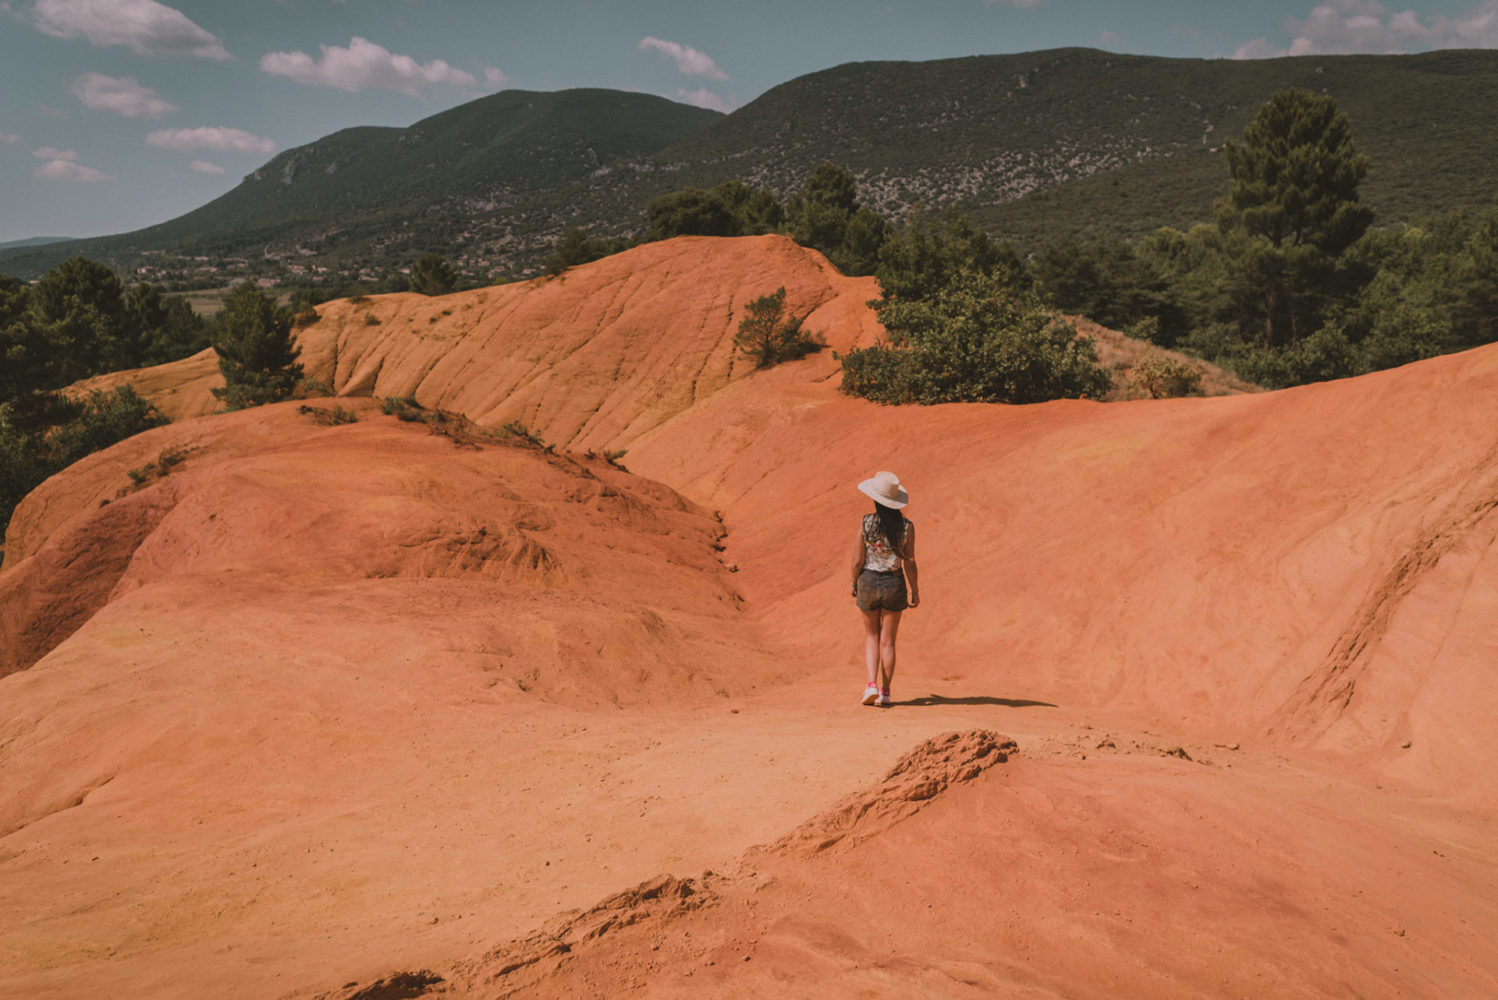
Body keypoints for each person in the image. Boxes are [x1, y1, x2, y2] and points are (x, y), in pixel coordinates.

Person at [849, 471, 919, 707]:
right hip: (894, 583)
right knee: (888, 641)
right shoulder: (907, 527)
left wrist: (853, 581)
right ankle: (886, 692)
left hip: (868, 580)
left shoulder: (866, 522)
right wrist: (915, 590)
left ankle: (871, 685)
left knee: (871, 636)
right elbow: (910, 561)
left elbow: (857, 559)